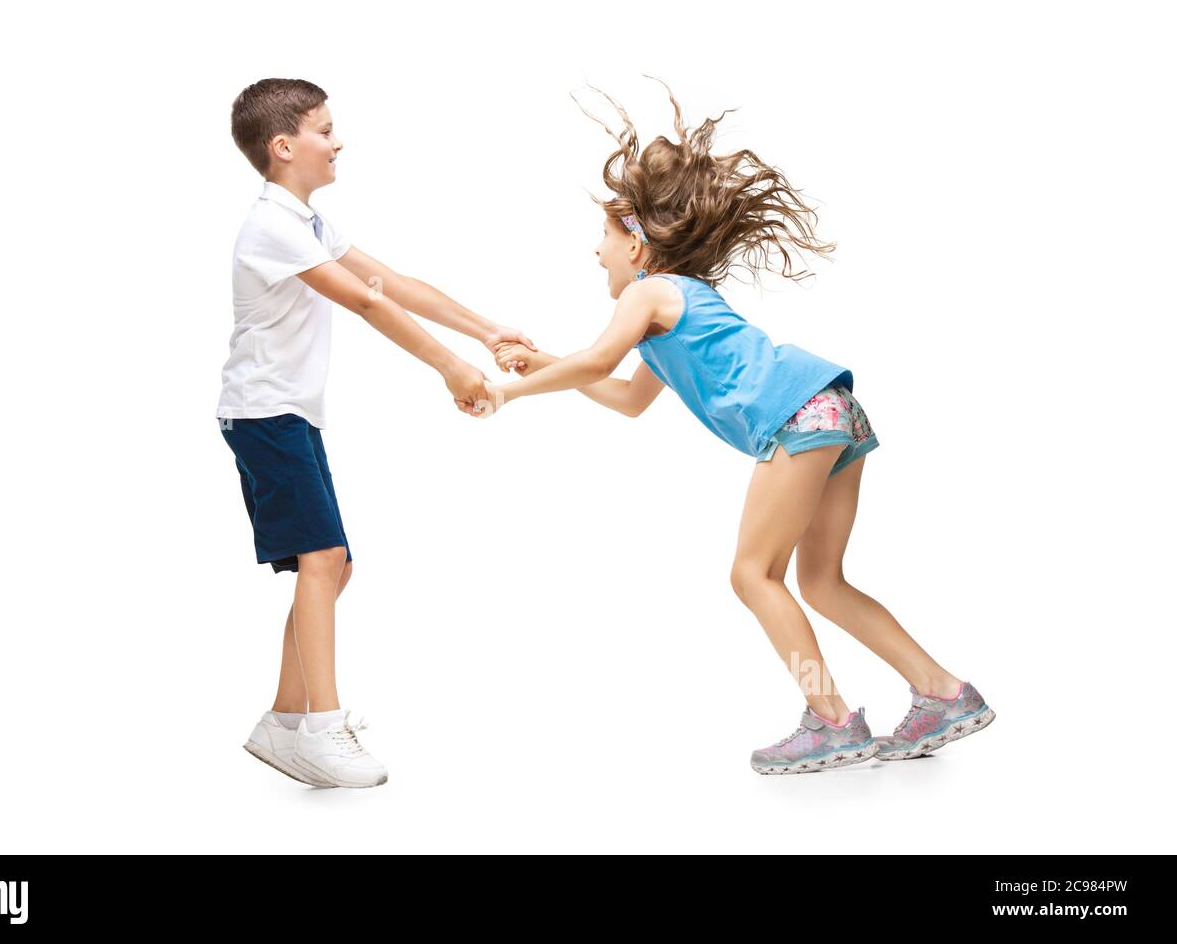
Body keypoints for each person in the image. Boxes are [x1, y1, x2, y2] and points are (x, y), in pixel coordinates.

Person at [486, 82, 995, 775]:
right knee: (820, 582)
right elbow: (627, 395)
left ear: (636, 245)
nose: (597, 255)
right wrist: (544, 360)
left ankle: (832, 719)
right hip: (833, 411)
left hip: (797, 420)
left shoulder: (647, 294)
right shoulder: (675, 311)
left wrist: (510, 391)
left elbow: (599, 356)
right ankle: (943, 693)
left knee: (752, 575)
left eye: (603, 241)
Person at [219, 78, 535, 788]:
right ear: (283, 146)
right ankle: (322, 729)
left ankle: (285, 722)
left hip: (286, 413)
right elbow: (362, 301)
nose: (338, 142)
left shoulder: (305, 221)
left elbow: (388, 280)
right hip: (264, 413)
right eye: (324, 131)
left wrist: (487, 332)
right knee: (323, 559)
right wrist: (451, 368)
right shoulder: (271, 224)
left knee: (331, 567)